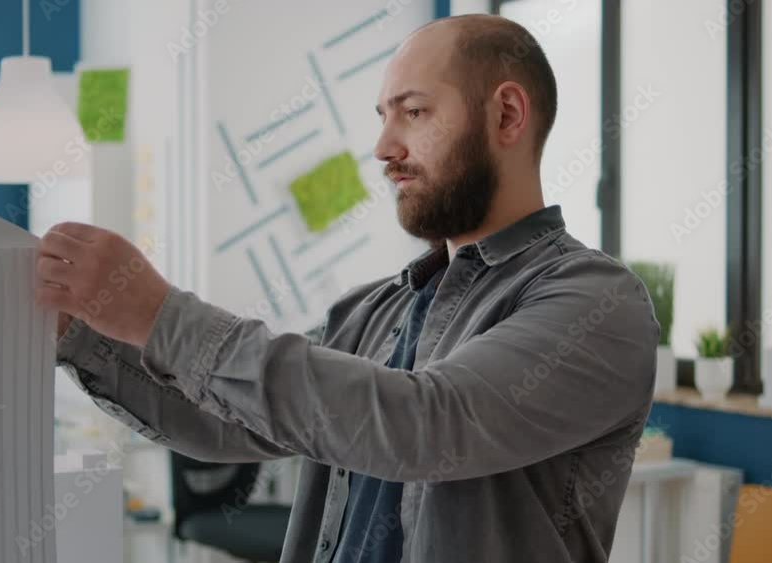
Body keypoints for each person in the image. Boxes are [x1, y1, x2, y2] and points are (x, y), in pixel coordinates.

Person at [38, 14, 658, 563]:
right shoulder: (372, 308)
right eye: (384, 117)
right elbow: (225, 423)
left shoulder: (598, 302)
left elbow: (429, 425)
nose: (385, 147)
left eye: (414, 112)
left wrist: (163, 316)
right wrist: (85, 338)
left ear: (507, 114)